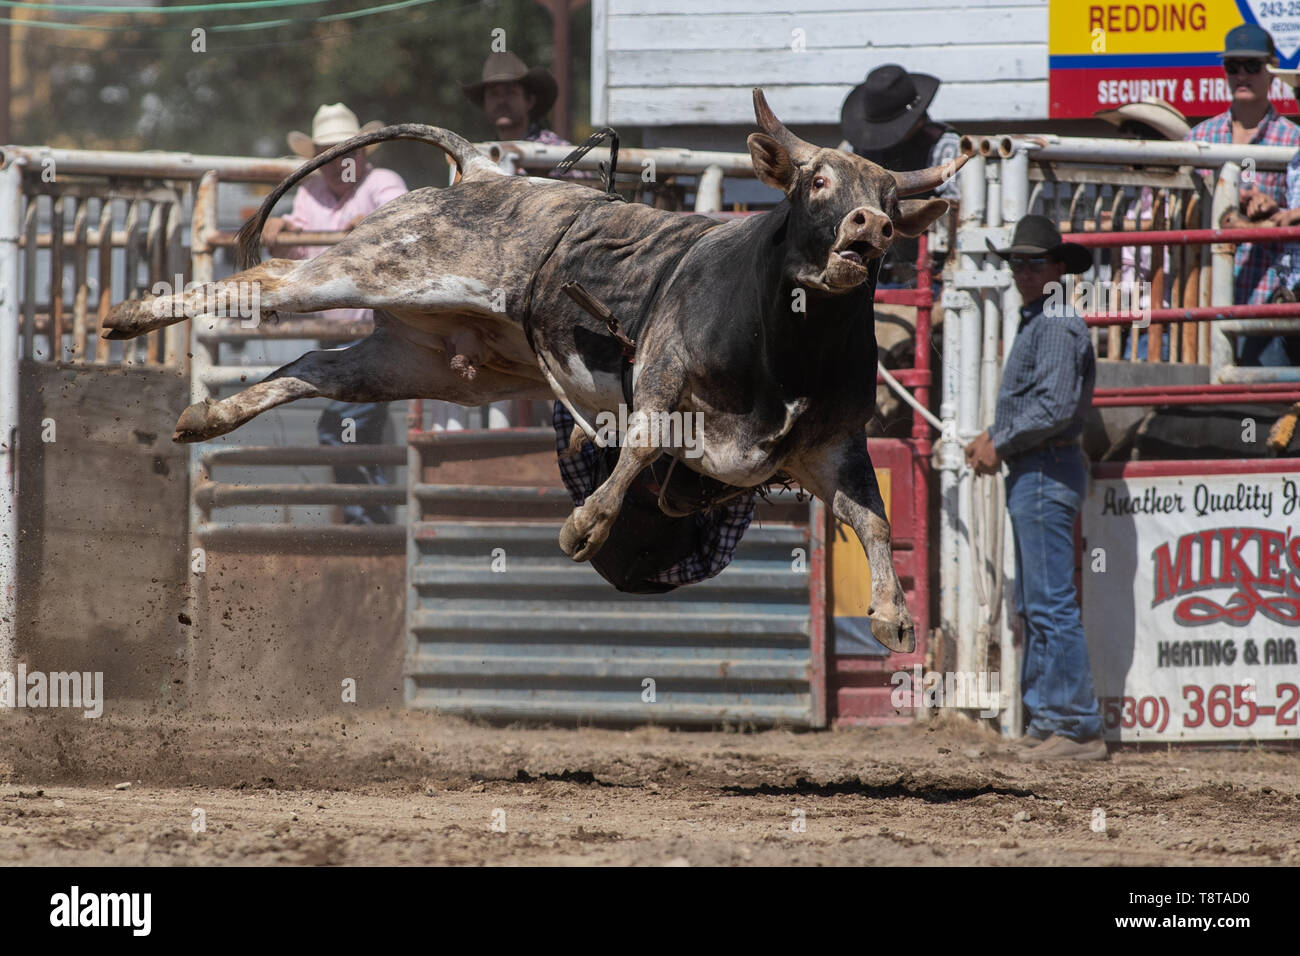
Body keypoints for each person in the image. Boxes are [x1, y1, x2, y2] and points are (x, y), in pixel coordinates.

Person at [965, 215, 1107, 762]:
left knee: (1047, 602)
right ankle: (1051, 719)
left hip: (1044, 470)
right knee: (1037, 600)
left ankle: (1074, 725)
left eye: (1033, 262)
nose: (1022, 272)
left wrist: (999, 439)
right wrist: (996, 436)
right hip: (1041, 468)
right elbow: (1046, 404)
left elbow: (1052, 406)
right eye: (1016, 262)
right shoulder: (1047, 319)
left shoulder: (1053, 324)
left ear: (1057, 269)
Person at [262, 103, 409, 524]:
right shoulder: (311, 194)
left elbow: (399, 217)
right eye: (327, 154)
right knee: (360, 427)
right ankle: (372, 521)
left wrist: (371, 224)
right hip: (337, 334)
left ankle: (367, 521)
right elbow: (294, 247)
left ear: (363, 154)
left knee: (340, 428)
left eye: (345, 152)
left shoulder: (382, 183)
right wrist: (281, 234)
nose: (336, 162)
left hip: (377, 332)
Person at [1185, 23, 1300, 366]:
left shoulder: (1292, 140)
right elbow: (1185, 209)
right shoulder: (1198, 138)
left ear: (1271, 72)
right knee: (1208, 410)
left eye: (1252, 66)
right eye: (1232, 66)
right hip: (1206, 294)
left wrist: (1275, 210)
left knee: (1268, 407)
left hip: (1269, 299)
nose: (1241, 75)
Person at [839, 64, 961, 287]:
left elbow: (955, 212)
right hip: (864, 271)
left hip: (930, 276)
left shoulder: (945, 148)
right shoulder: (855, 150)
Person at [1094, 98, 1191, 361]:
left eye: (1131, 140)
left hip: (1154, 319)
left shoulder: (1171, 200)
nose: (1124, 152)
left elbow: (1157, 258)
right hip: (1136, 316)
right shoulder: (1144, 198)